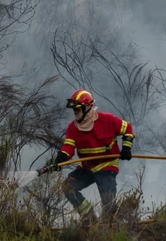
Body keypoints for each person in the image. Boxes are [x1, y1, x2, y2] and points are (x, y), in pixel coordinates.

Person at [38, 89, 135, 222]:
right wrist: (60, 158)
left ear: (88, 108)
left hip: (107, 166)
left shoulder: (107, 120)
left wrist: (126, 148)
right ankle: (89, 218)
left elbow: (127, 128)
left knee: (108, 204)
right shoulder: (73, 128)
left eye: (77, 109)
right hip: (87, 168)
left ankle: (110, 224)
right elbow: (68, 147)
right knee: (68, 187)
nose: (75, 113)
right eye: (74, 110)